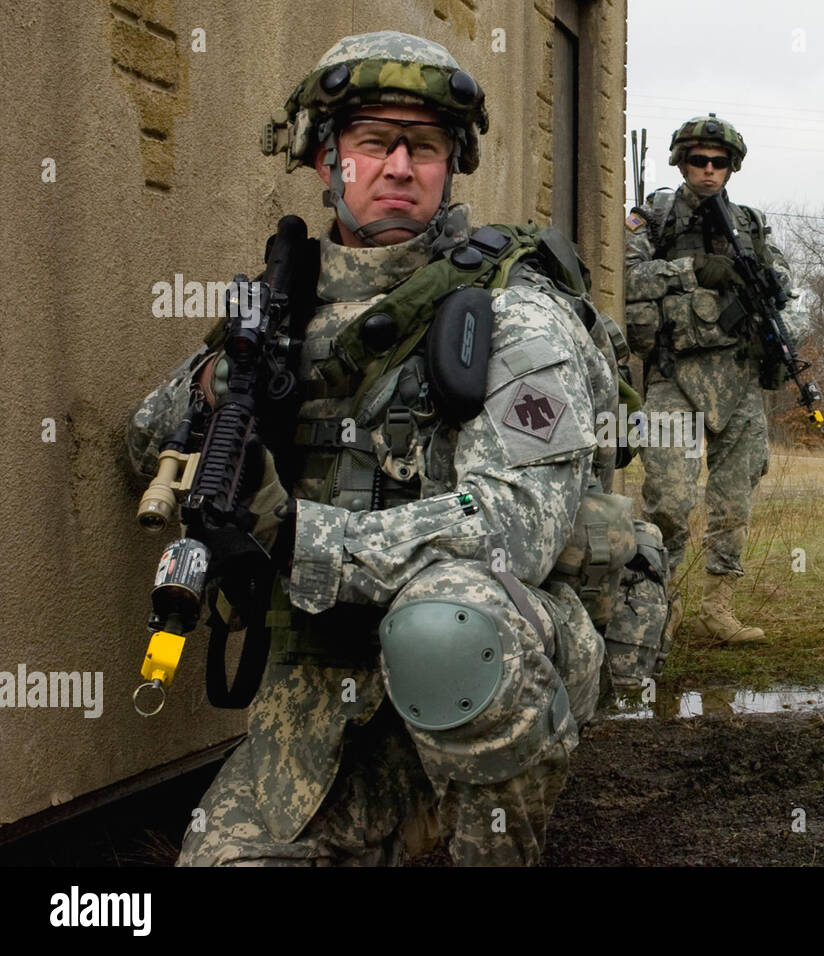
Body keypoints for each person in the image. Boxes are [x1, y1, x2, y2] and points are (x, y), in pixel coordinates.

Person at [125, 31, 621, 865]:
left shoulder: (514, 314)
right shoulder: (284, 314)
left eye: (422, 146)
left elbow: (517, 523)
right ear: (325, 159)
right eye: (371, 142)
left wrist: (298, 536)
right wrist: (218, 391)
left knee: (450, 624)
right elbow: (143, 441)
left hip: (473, 668)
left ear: (450, 164)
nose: (398, 166)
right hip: (322, 705)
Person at [624, 113, 792, 646]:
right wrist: (692, 269)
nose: (709, 170)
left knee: (733, 502)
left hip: (737, 379)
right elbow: (626, 278)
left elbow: (783, 279)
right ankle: (662, 608)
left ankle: (717, 608)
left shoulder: (750, 224)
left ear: (732, 168)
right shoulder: (652, 217)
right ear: (681, 162)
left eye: (719, 163)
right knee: (669, 502)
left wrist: (762, 277)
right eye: (699, 161)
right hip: (674, 376)